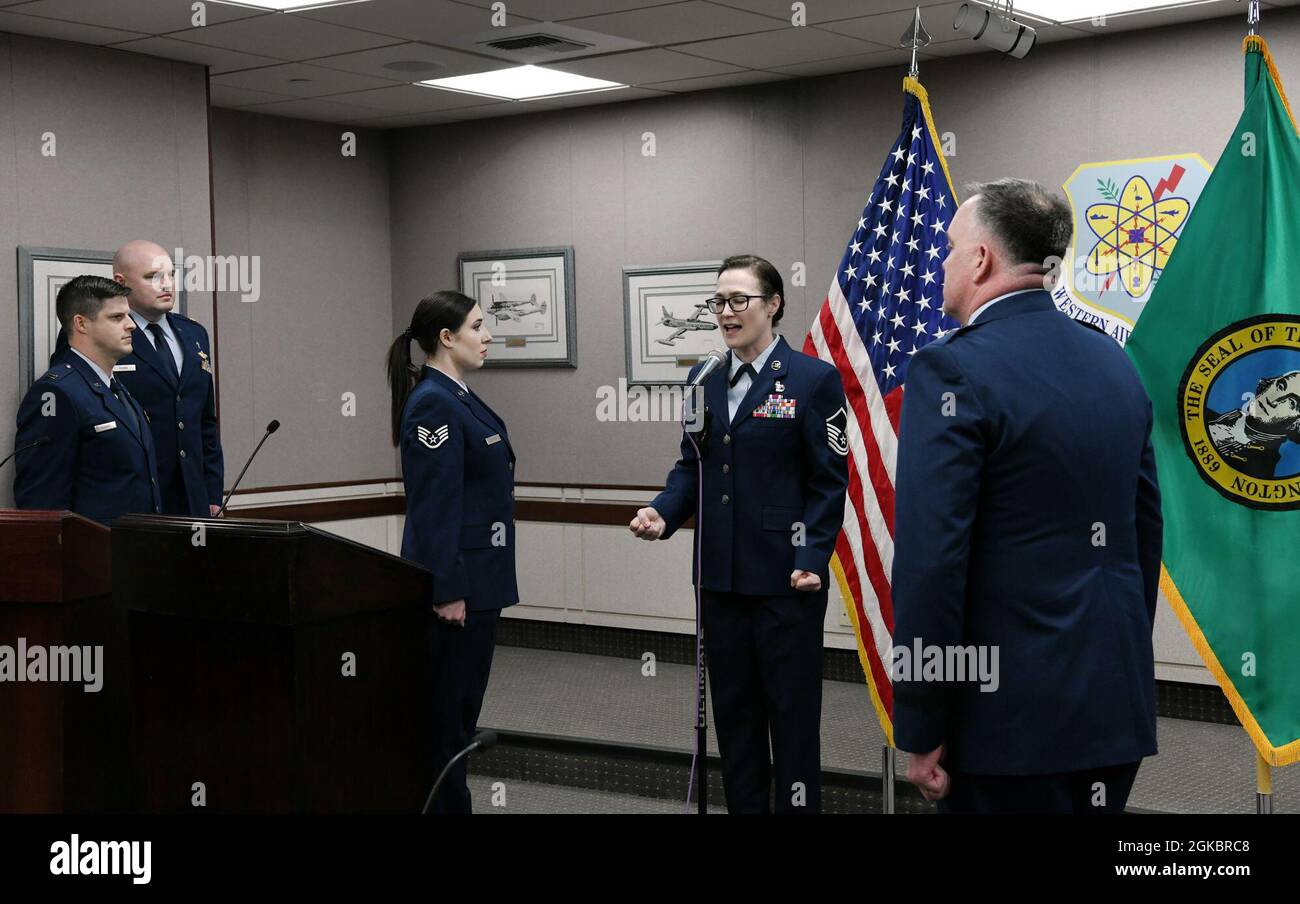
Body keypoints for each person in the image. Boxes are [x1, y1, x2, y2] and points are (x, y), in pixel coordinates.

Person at [891, 179, 1162, 814]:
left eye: (950, 248)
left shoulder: (950, 369)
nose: (942, 262)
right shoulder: (1114, 361)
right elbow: (1144, 535)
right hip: (1110, 704)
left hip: (1005, 726)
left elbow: (932, 563)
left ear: (981, 259)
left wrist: (923, 723)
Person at [631, 254, 849, 814]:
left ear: (773, 304)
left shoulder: (813, 380)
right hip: (720, 580)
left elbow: (828, 482)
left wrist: (812, 556)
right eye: (718, 302)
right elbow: (692, 467)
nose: (726, 313)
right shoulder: (702, 379)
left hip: (785, 581)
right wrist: (663, 511)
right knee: (735, 721)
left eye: (738, 300)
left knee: (792, 722)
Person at [386, 290, 518, 814]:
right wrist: (446, 590)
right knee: (446, 724)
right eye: (478, 327)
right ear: (446, 337)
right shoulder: (433, 403)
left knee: (459, 718)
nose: (488, 336)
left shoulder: (458, 395)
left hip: (480, 581)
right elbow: (434, 507)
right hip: (459, 589)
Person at [53, 240, 223, 516]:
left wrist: (212, 492)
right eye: (152, 277)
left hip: (192, 496)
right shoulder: (98, 335)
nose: (166, 284)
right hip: (131, 496)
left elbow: (204, 420)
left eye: (170, 274)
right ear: (121, 282)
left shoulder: (193, 333)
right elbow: (74, 409)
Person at [14, 276, 161, 525]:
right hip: (93, 546)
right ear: (81, 323)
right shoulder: (56, 393)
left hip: (135, 541)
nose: (131, 325)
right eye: (117, 317)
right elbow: (42, 502)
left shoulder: (115, 387)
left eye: (128, 316)